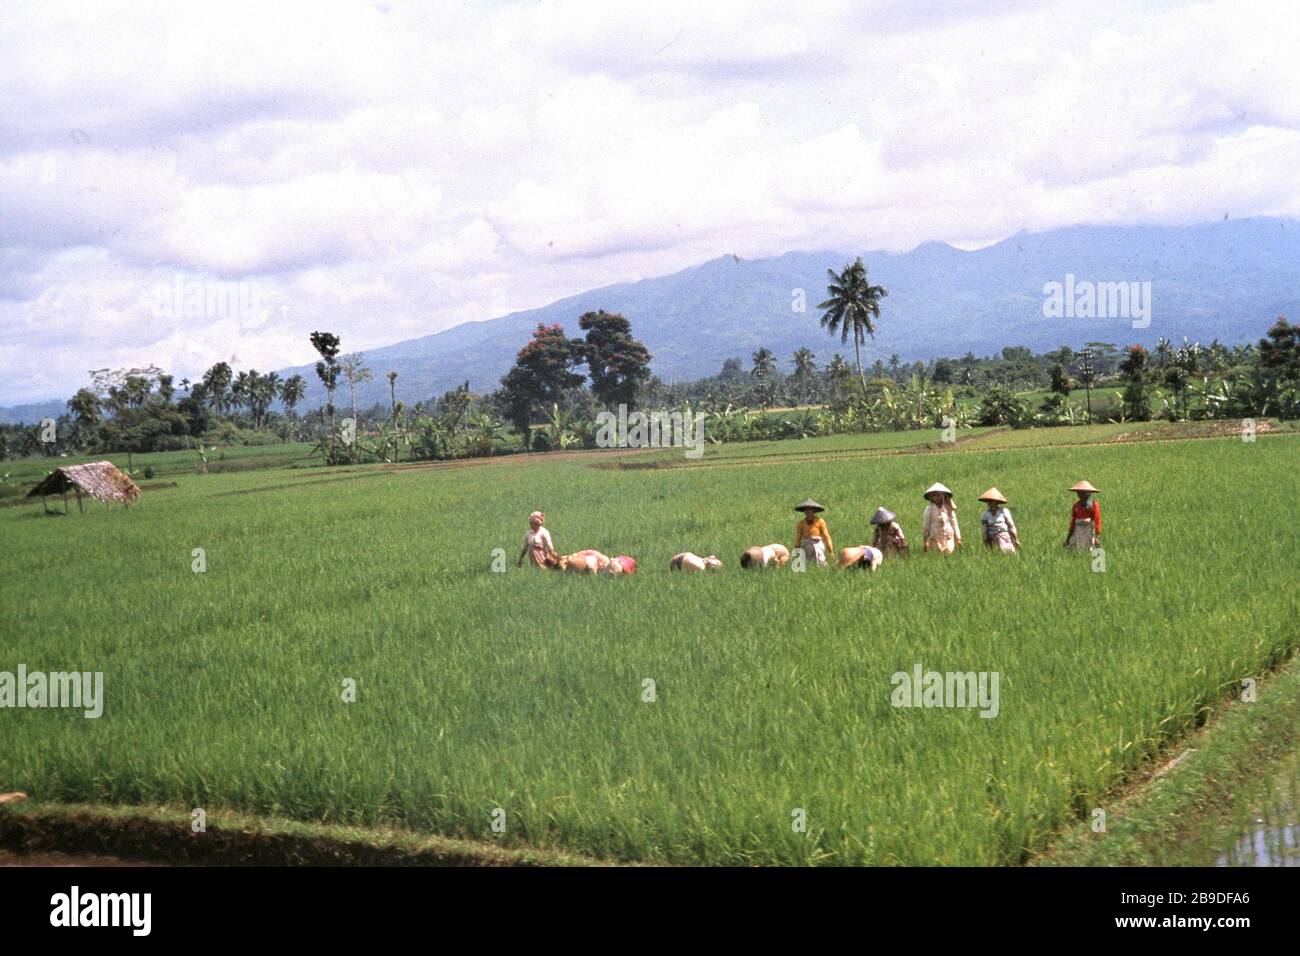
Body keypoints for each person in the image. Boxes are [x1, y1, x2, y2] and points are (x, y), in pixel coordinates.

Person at [921, 483, 961, 553]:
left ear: (942, 495)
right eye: (934, 495)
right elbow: (926, 525)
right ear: (931, 497)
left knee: (949, 553)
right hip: (935, 538)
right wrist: (925, 541)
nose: (936, 497)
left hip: (948, 536)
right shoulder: (929, 509)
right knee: (937, 555)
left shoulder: (948, 507)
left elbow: (954, 522)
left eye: (938, 495)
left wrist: (958, 538)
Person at [978, 488, 1019, 553]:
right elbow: (984, 530)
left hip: (1005, 538)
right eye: (989, 501)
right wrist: (985, 542)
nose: (990, 503)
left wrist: (1016, 539)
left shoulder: (1004, 511)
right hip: (992, 540)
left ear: (996, 502)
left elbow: (1011, 526)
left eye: (992, 501)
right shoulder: (985, 514)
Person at [793, 499, 833, 566]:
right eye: (806, 511)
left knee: (821, 562)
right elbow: (798, 537)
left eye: (810, 511)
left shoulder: (820, 521)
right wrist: (797, 549)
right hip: (806, 544)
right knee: (807, 563)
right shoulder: (801, 524)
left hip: (817, 544)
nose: (808, 513)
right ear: (804, 512)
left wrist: (830, 550)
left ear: (814, 511)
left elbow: (826, 535)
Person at [1064, 480, 1101, 549]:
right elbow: (1073, 521)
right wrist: (1068, 538)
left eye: (1083, 493)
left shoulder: (1093, 505)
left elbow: (1097, 520)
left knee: (1089, 548)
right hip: (1078, 530)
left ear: (1089, 493)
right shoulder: (1076, 506)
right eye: (1079, 493)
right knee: (1076, 548)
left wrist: (1097, 537)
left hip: (1089, 530)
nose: (1080, 495)